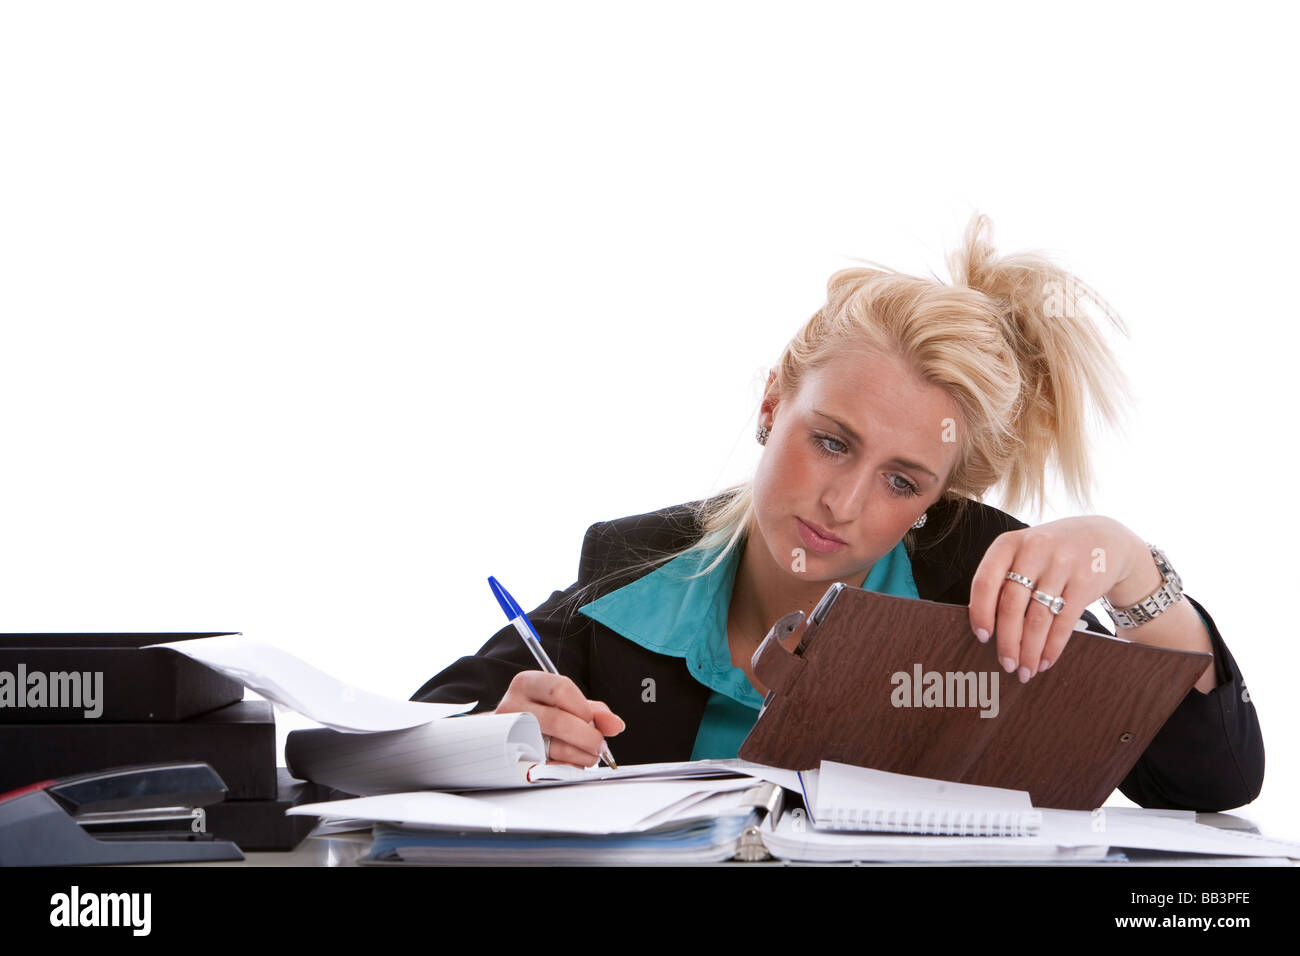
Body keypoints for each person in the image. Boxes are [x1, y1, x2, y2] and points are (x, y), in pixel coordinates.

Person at [412, 214, 1264, 812]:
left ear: (938, 502)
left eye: (903, 482)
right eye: (830, 441)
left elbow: (1212, 780)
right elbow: (388, 742)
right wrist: (493, 741)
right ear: (773, 404)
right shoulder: (635, 575)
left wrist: (1134, 567)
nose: (842, 504)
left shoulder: (981, 586)